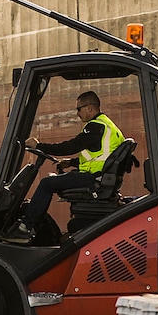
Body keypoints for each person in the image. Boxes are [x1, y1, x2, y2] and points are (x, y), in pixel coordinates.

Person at [20, 91, 125, 240]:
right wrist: (71, 162)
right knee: (53, 181)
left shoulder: (95, 127)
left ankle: (25, 227)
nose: (77, 114)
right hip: (101, 177)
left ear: (89, 108)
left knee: (46, 184)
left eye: (79, 109)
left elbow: (70, 146)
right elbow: (102, 156)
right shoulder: (107, 125)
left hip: (93, 179)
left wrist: (39, 146)